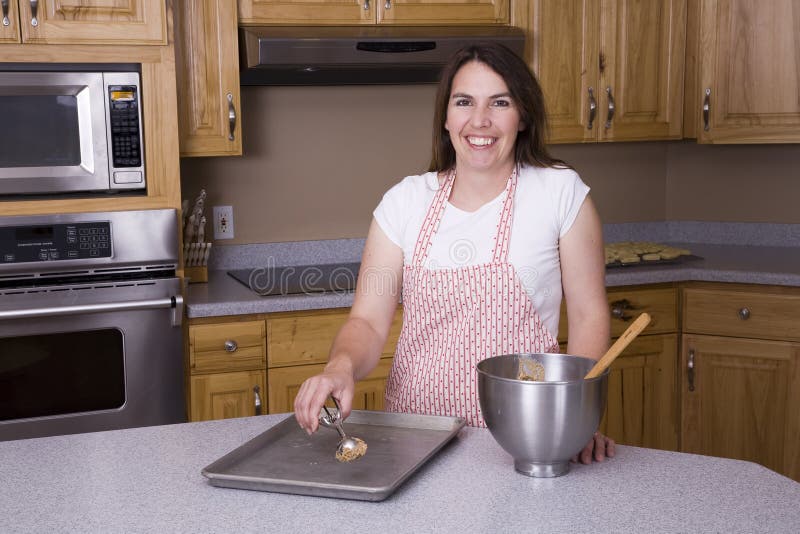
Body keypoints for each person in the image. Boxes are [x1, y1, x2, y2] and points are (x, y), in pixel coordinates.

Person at [294, 42, 615, 464]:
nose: (479, 120)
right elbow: (368, 322)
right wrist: (339, 366)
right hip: (416, 439)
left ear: (522, 116)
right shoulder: (404, 202)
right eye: (464, 102)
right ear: (446, 118)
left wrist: (576, 419)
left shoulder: (559, 192)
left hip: (524, 442)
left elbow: (590, 315)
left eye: (499, 102)